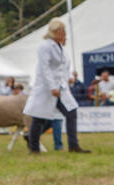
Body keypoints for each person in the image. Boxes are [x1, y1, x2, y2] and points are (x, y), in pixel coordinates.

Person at [23, 20, 90, 155]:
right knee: (39, 117)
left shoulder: (60, 48)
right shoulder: (45, 47)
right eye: (63, 31)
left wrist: (69, 78)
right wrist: (52, 87)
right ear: (55, 32)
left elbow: (62, 68)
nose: (65, 34)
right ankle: (34, 147)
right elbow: (45, 68)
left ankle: (73, 145)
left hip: (61, 88)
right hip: (47, 89)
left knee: (71, 112)